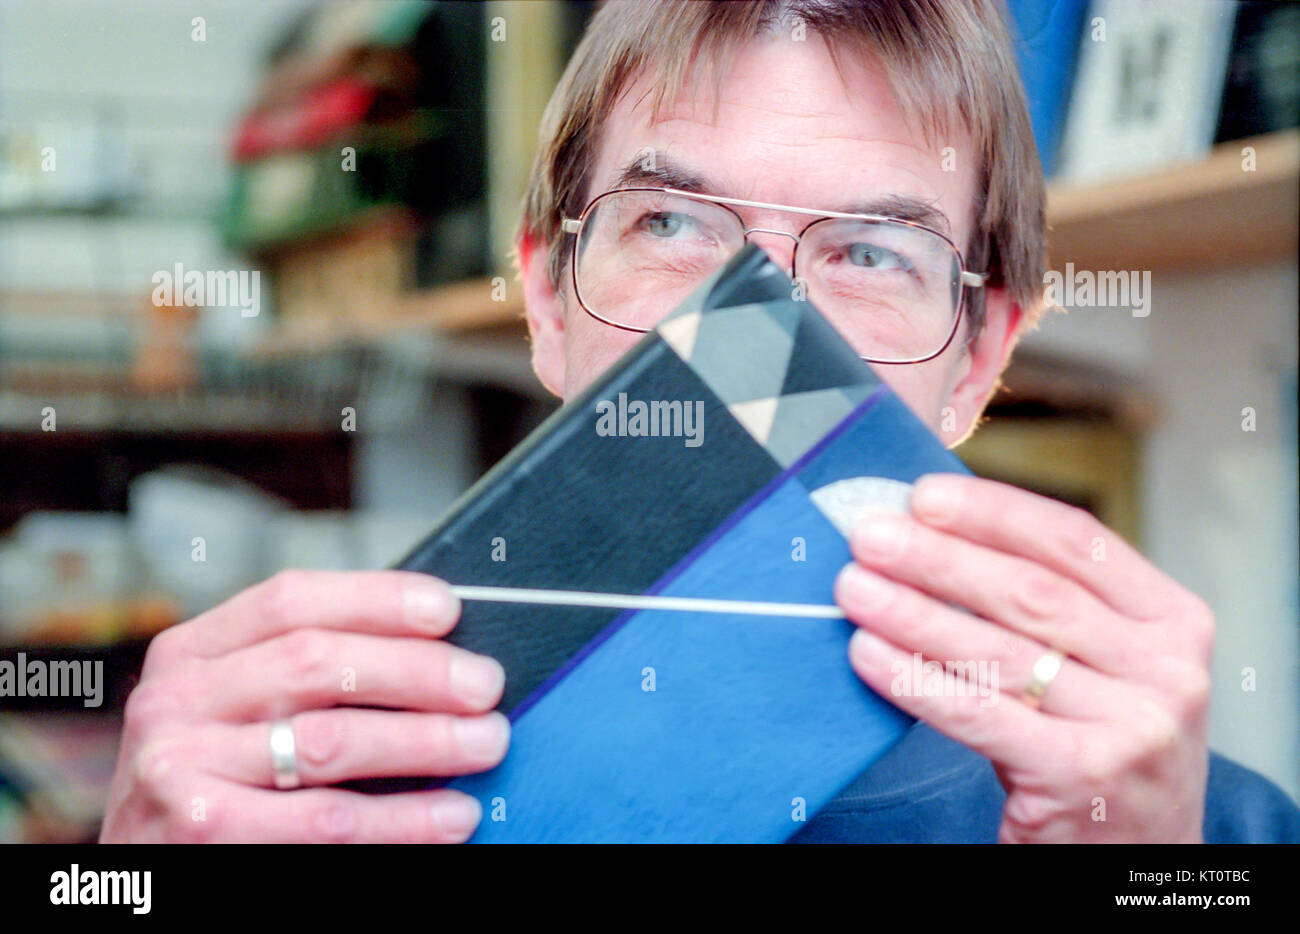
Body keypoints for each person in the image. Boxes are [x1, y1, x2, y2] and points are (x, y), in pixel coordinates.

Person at [100, 0, 1300, 843]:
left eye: (870, 251)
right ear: (545, 296)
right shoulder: (289, 792)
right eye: (670, 225)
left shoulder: (1195, 828)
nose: (760, 327)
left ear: (979, 358)